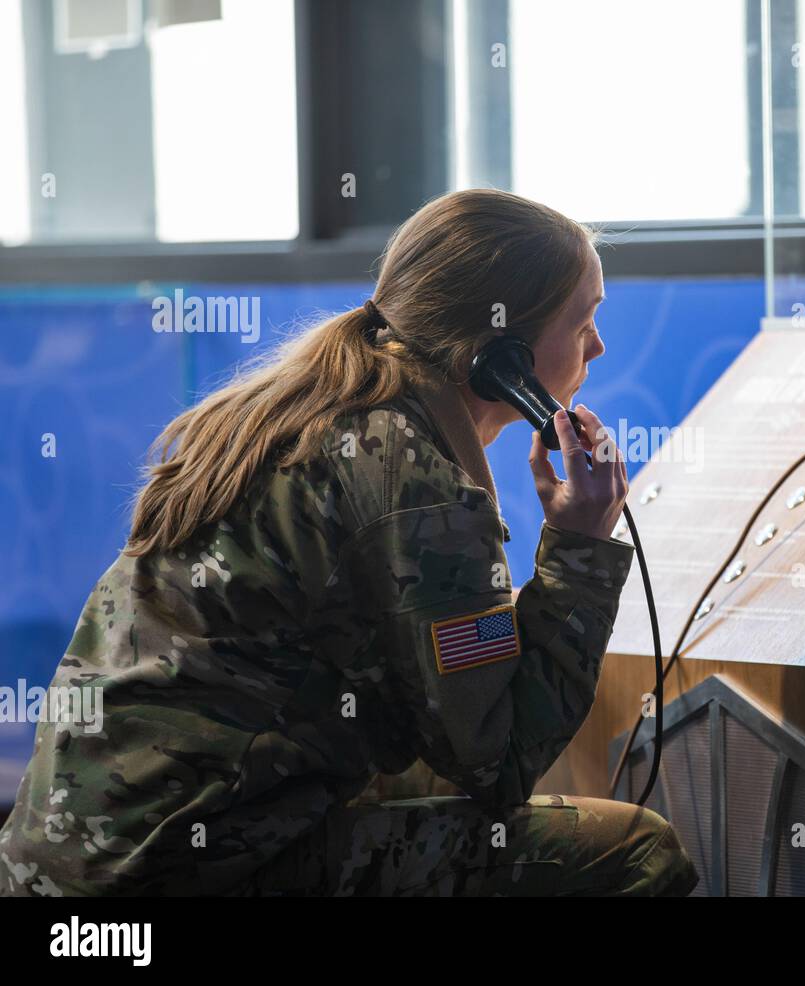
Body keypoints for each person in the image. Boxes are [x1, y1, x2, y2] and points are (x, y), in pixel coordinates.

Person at [0, 188, 699, 897]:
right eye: (583, 321)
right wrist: (578, 546)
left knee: (416, 772)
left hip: (66, 868)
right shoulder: (417, 485)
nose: (599, 346)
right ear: (503, 357)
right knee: (637, 852)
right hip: (181, 875)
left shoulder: (290, 409)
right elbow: (500, 758)